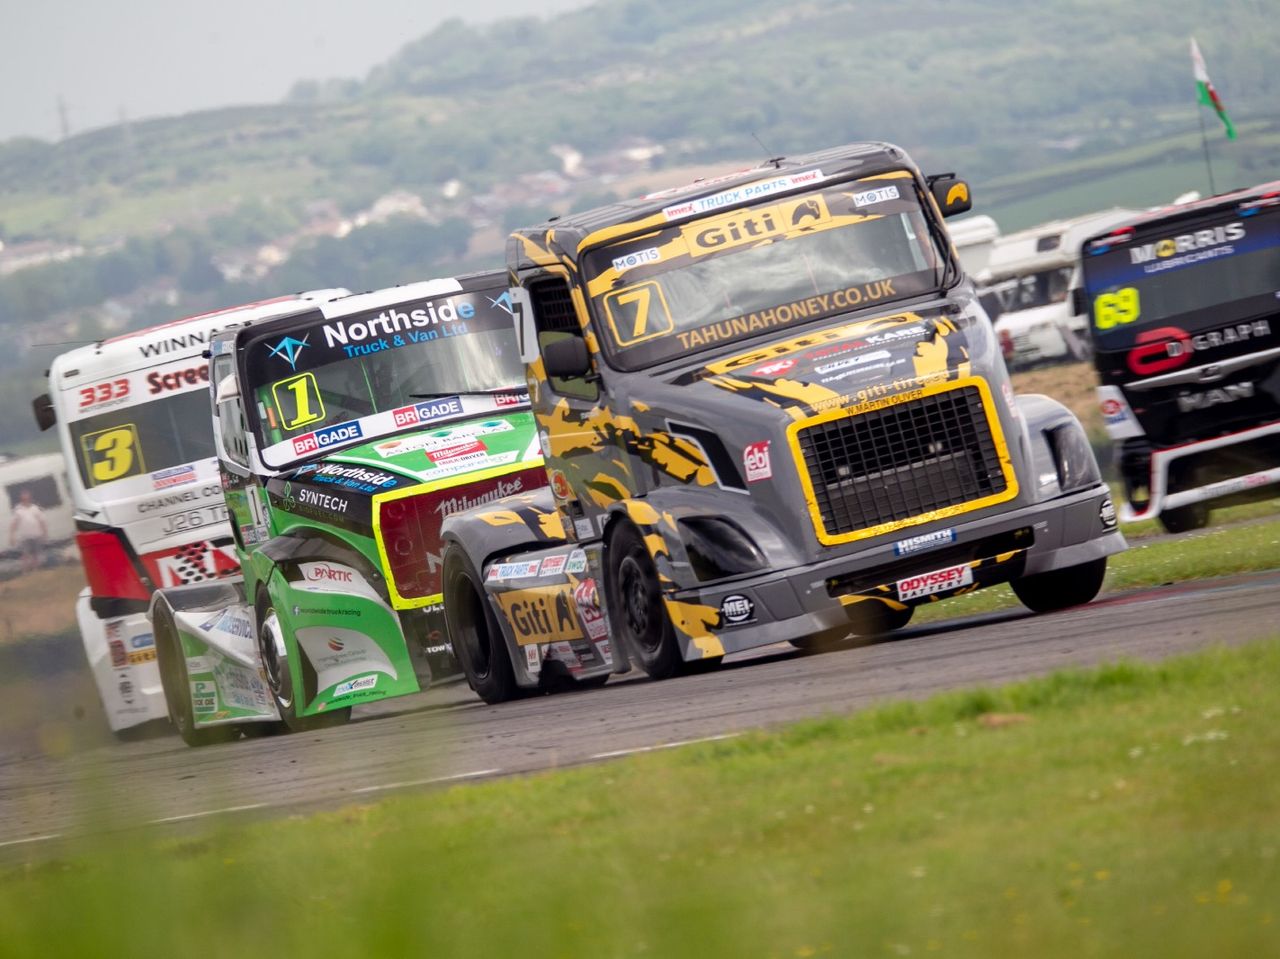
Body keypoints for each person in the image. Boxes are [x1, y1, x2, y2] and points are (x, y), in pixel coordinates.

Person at [9, 489, 48, 573]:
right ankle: (25, 571)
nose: (25, 497)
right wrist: (12, 536)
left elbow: (42, 521)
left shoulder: (35, 508)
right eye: (23, 495)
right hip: (24, 536)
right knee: (25, 554)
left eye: (27, 495)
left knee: (36, 554)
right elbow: (14, 524)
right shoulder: (18, 509)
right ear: (21, 497)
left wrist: (45, 533)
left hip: (37, 534)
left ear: (29, 497)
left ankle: (35, 570)